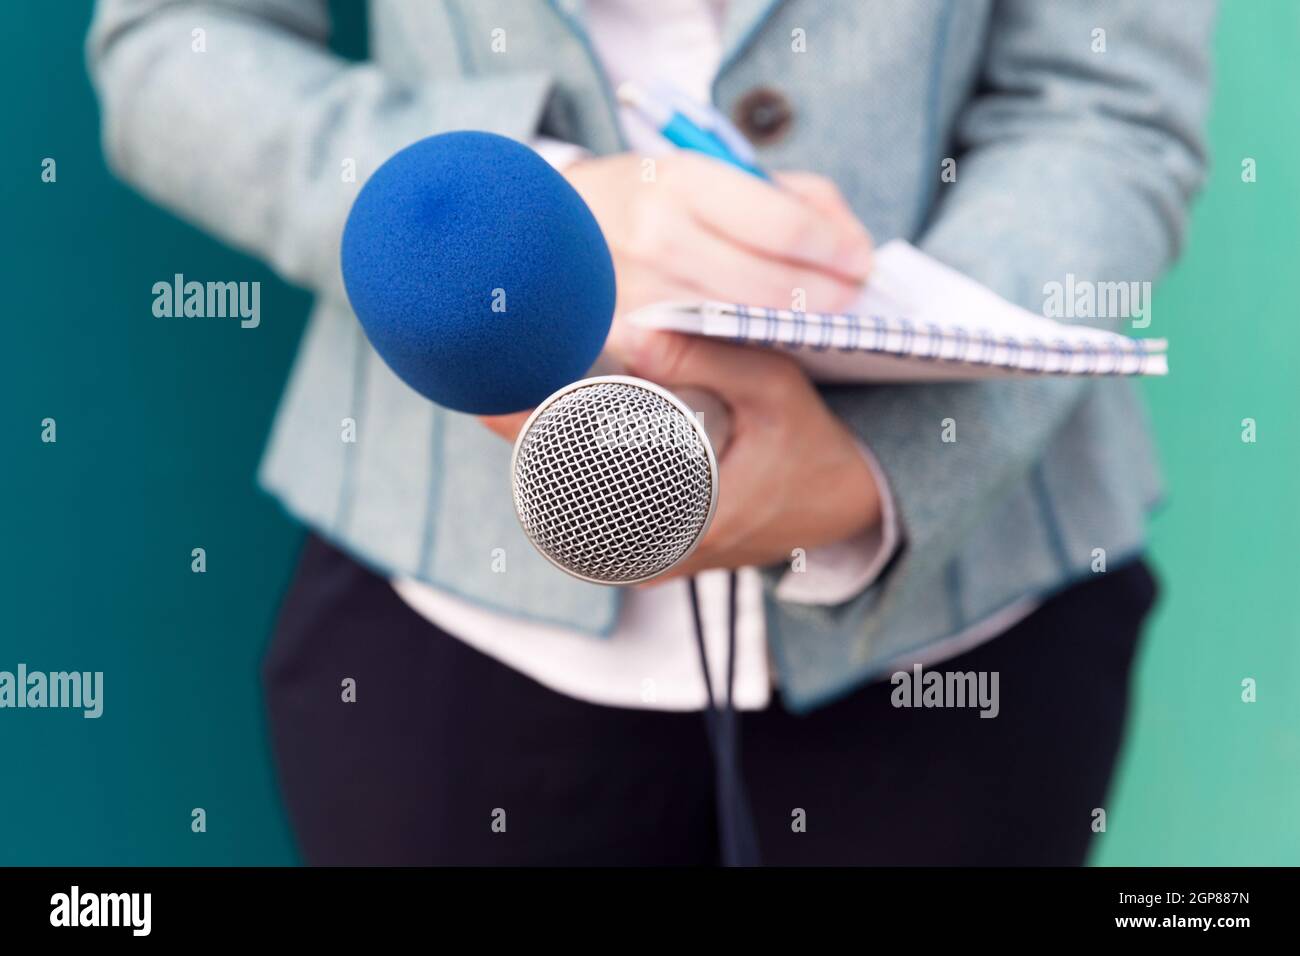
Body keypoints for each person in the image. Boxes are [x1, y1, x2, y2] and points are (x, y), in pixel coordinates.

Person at [89, 0, 1214, 865]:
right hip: (451, 617)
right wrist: (536, 209)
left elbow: (1104, 101)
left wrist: (891, 460)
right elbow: (173, 45)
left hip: (968, 628)